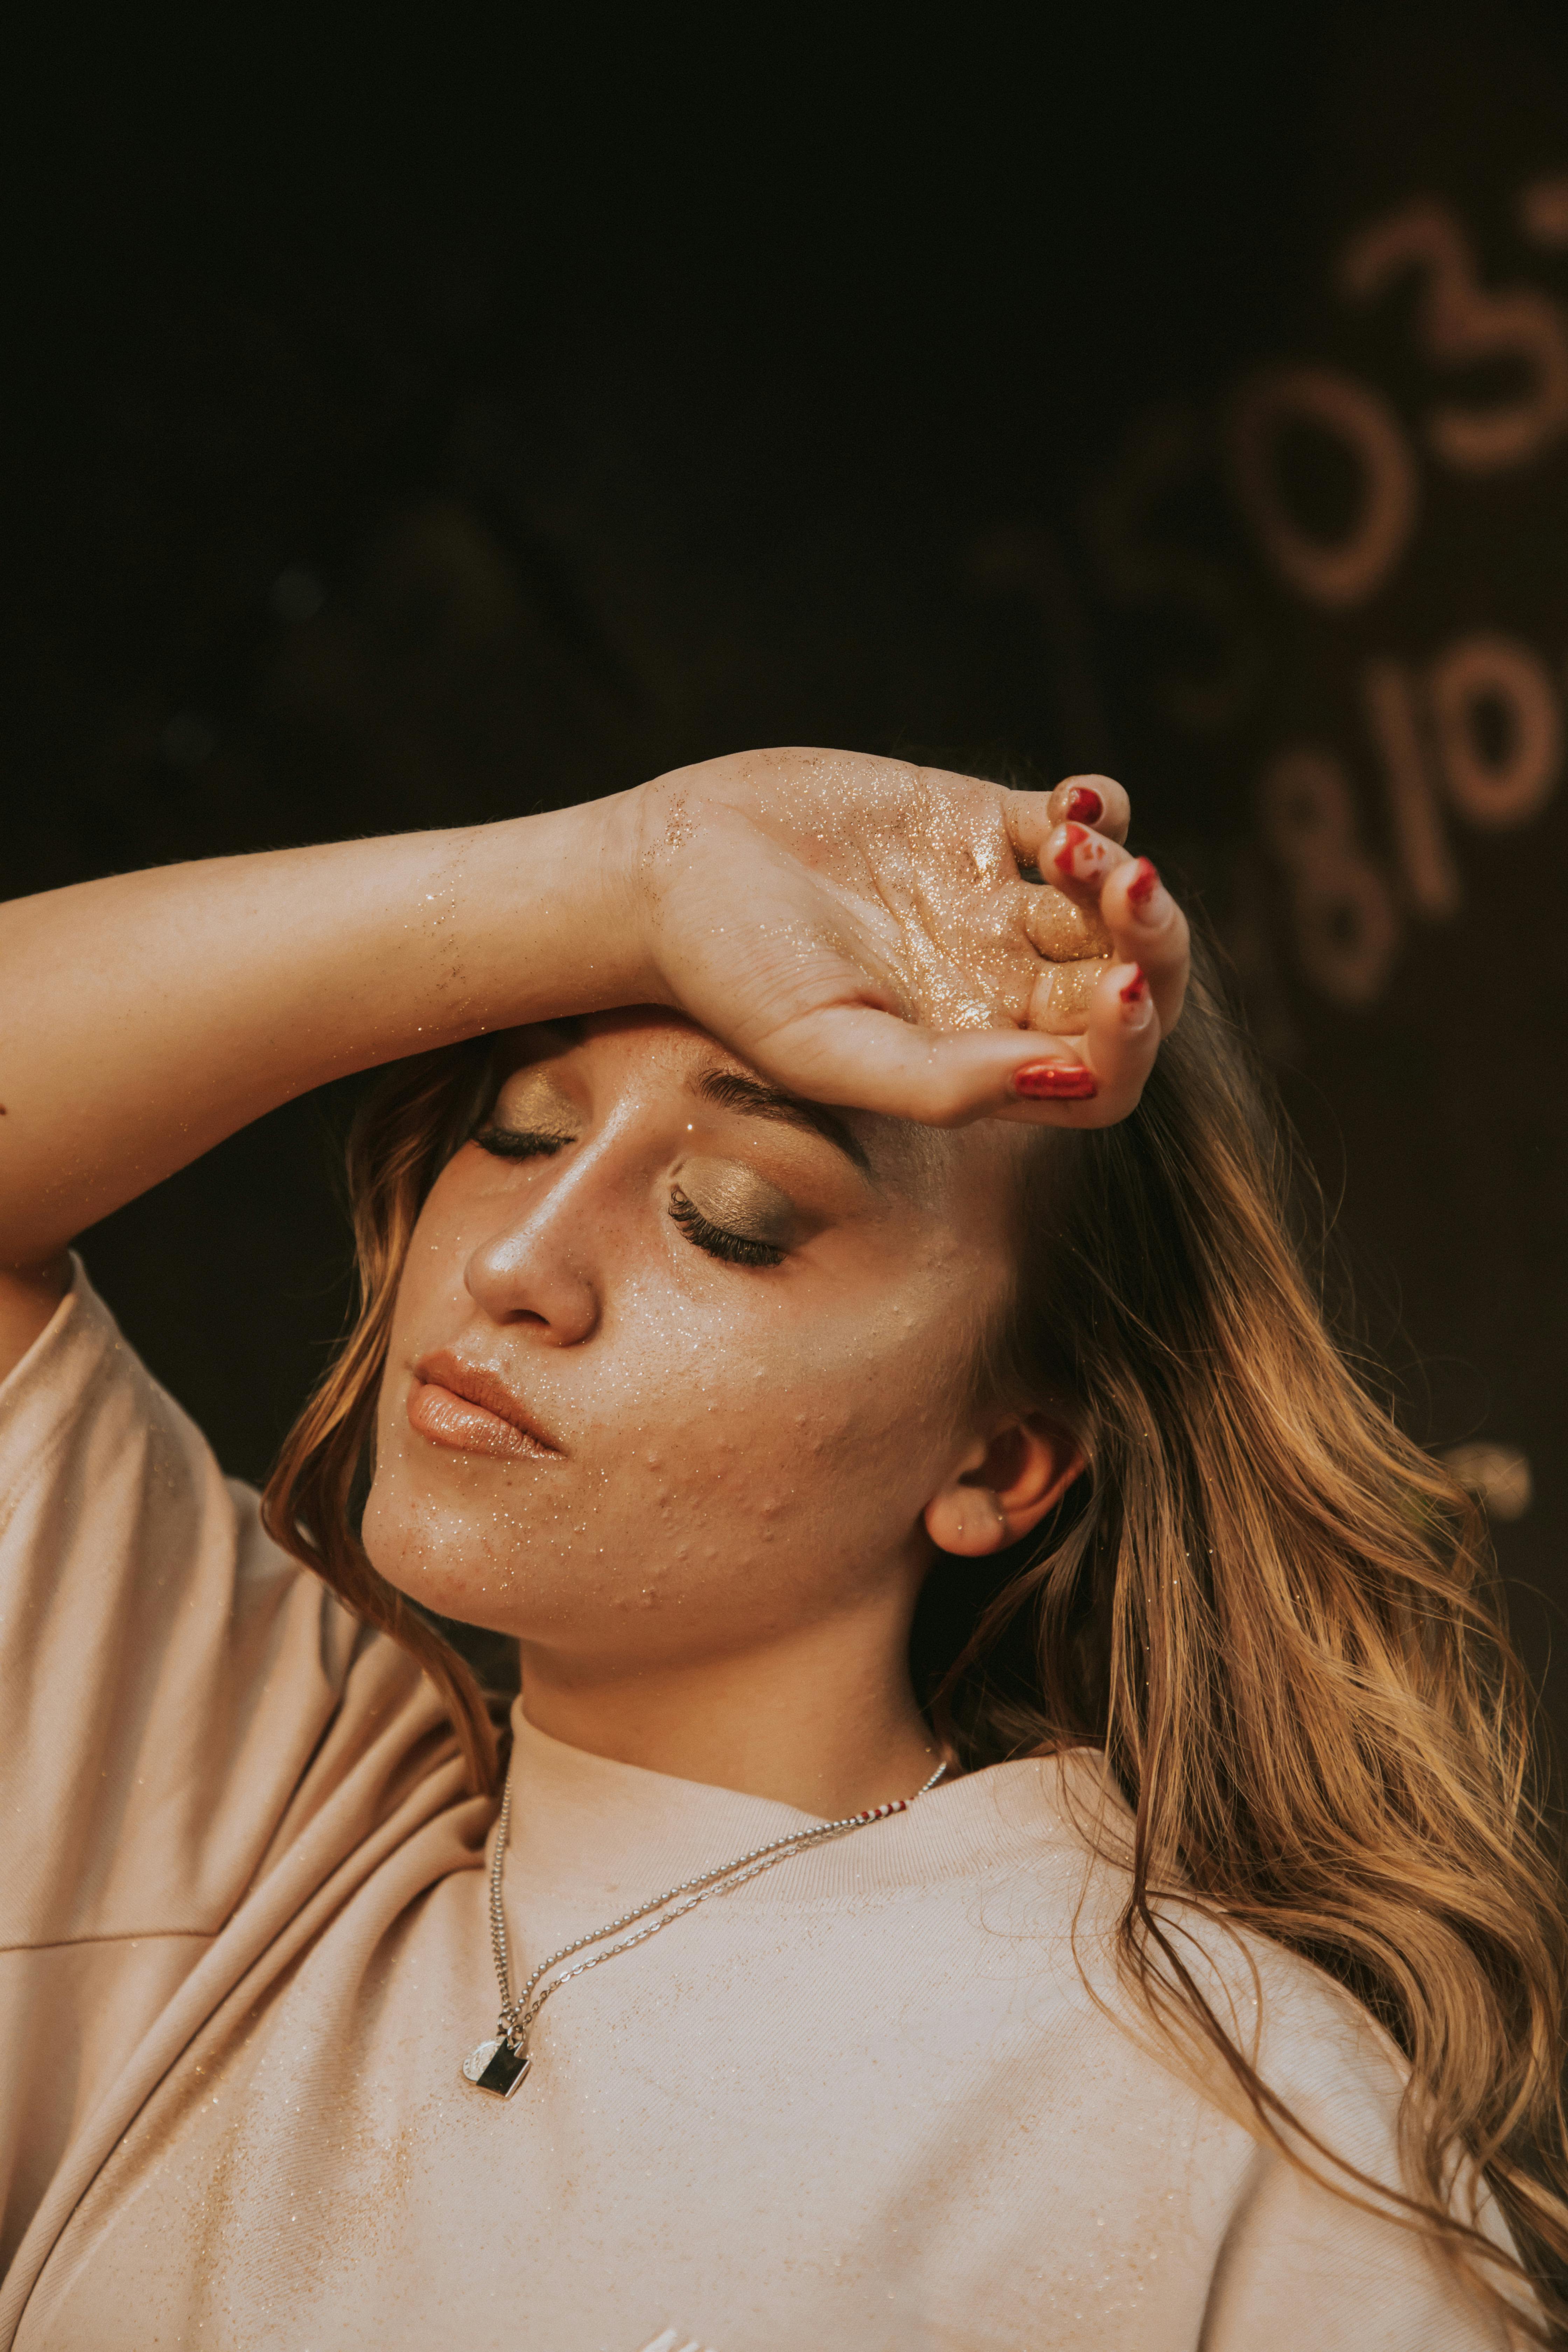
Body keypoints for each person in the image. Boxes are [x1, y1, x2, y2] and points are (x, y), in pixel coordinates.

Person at [0, 748, 1559, 2350]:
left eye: (733, 1214)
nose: (521, 1263)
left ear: (1002, 1462)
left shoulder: (1217, 2114)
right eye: (521, 1129)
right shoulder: (254, 1832)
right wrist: (624, 872)